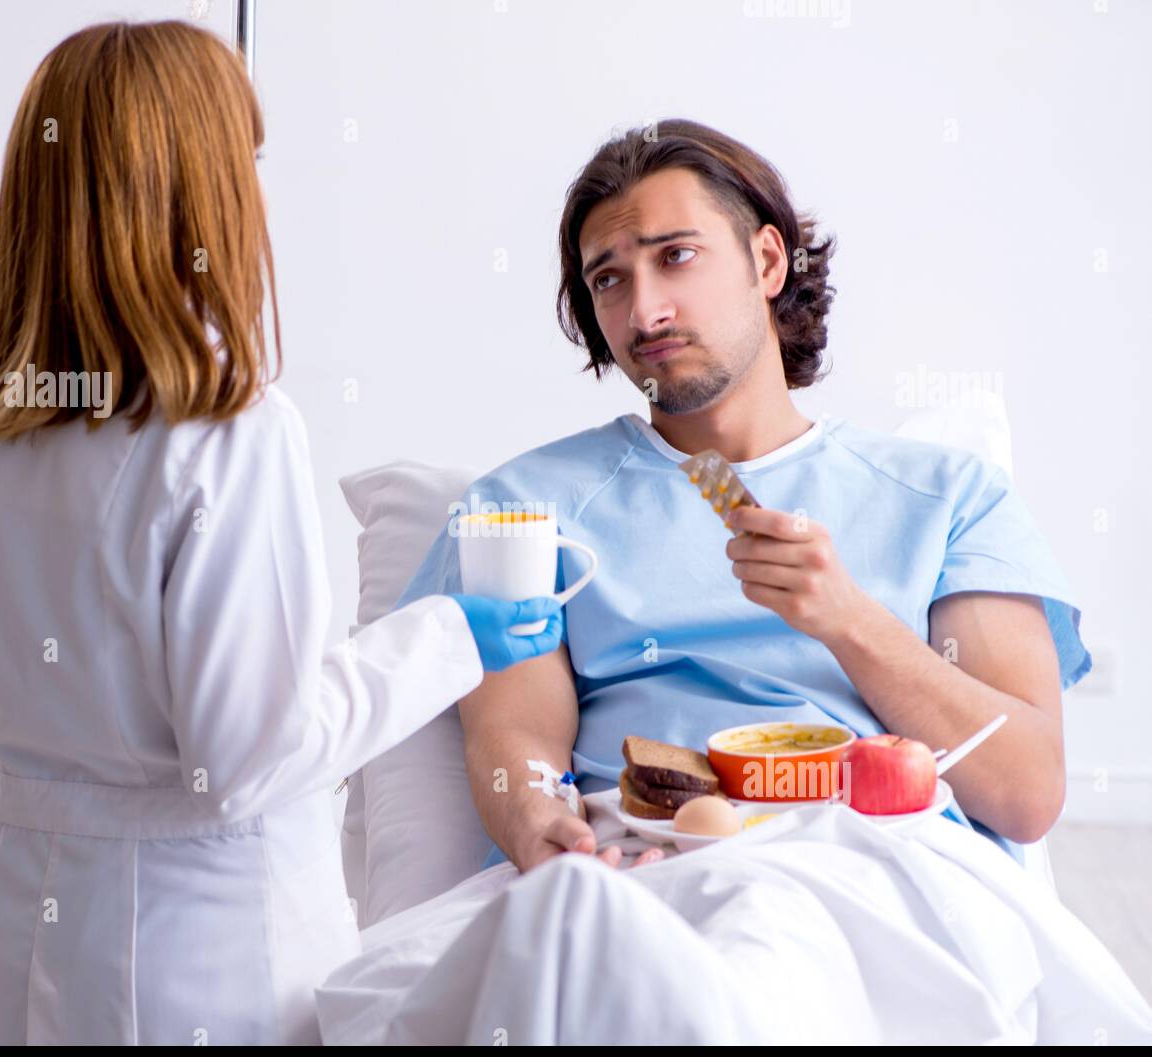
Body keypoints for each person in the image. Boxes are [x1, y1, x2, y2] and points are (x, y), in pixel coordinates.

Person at [0, 21, 561, 1046]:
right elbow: (246, 754)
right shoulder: (221, 435)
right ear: (195, 184)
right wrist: (447, 637)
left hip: (27, 909)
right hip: (198, 947)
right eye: (243, 160)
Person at [398, 119, 1090, 875]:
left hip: (876, 873)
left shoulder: (948, 496)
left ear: (766, 260)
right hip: (639, 872)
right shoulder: (523, 510)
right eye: (609, 279)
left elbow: (1025, 793)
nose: (645, 312)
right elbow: (517, 740)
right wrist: (538, 826)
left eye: (677, 257)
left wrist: (850, 621)